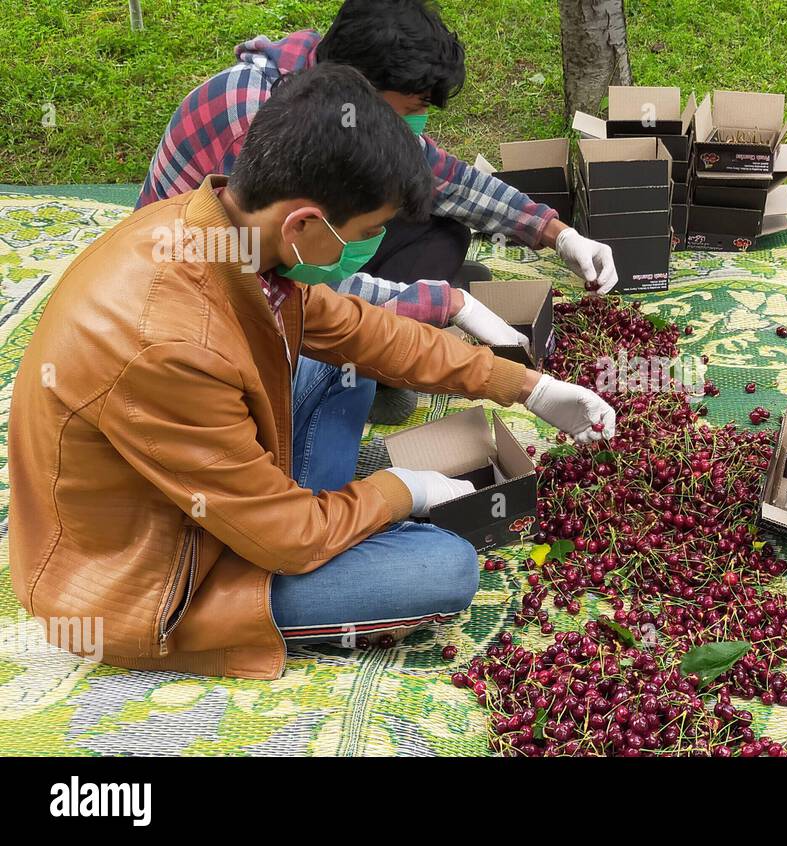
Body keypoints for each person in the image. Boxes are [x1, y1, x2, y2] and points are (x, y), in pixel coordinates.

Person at [10, 63, 616, 680]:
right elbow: (285, 538)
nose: (374, 248)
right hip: (153, 574)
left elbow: (360, 329)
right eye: (369, 233)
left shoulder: (229, 233)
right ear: (303, 224)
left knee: (347, 364)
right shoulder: (168, 346)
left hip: (214, 483)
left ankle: (324, 504)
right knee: (443, 568)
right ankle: (317, 526)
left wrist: (528, 387)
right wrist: (403, 492)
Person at [138, 0, 617, 424]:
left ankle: (387, 334)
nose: (416, 122)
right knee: (339, 359)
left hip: (276, 256)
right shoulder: (262, 128)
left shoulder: (338, 93)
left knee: (442, 232)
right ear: (367, 89)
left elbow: (441, 177)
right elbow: (287, 286)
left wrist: (556, 232)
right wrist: (444, 304)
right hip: (216, 285)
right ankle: (350, 377)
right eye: (411, 107)